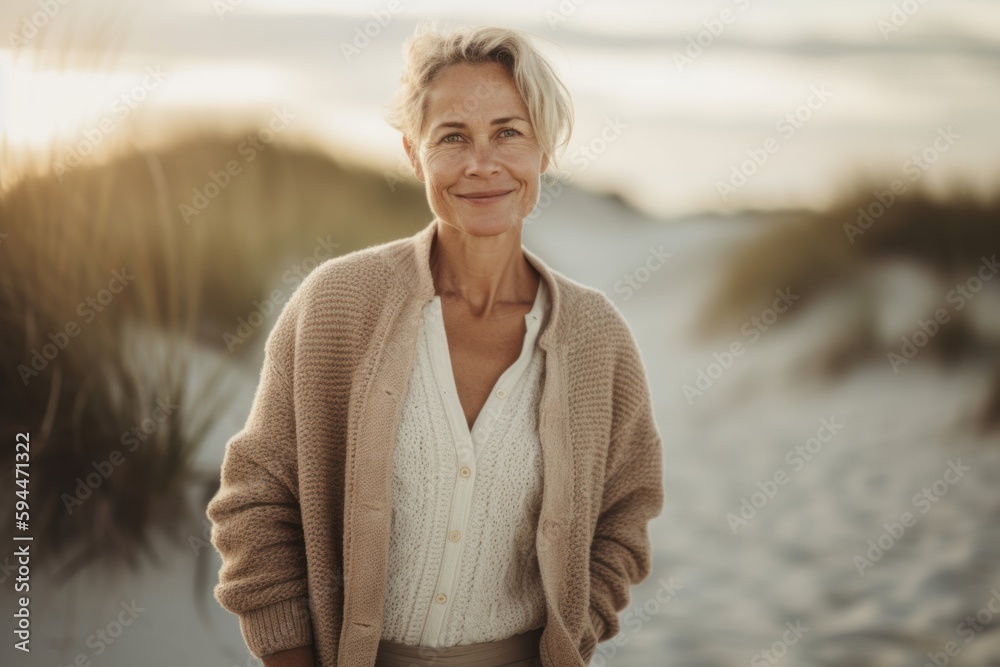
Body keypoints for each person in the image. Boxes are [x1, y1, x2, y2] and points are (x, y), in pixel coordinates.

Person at [206, 24, 664, 667]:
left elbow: (625, 513)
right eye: (453, 137)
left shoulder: (595, 336)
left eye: (509, 132)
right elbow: (256, 499)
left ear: (544, 151)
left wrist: (576, 631)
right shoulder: (337, 304)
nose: (483, 163)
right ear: (414, 154)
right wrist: (289, 656)